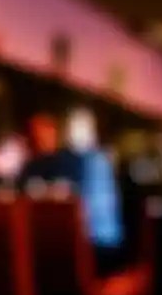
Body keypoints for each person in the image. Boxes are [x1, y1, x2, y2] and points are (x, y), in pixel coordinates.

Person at [18, 113, 126, 274]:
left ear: (55, 133)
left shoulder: (76, 161)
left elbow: (83, 203)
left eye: (43, 133)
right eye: (33, 135)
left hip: (91, 244)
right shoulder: (29, 167)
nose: (38, 139)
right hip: (48, 242)